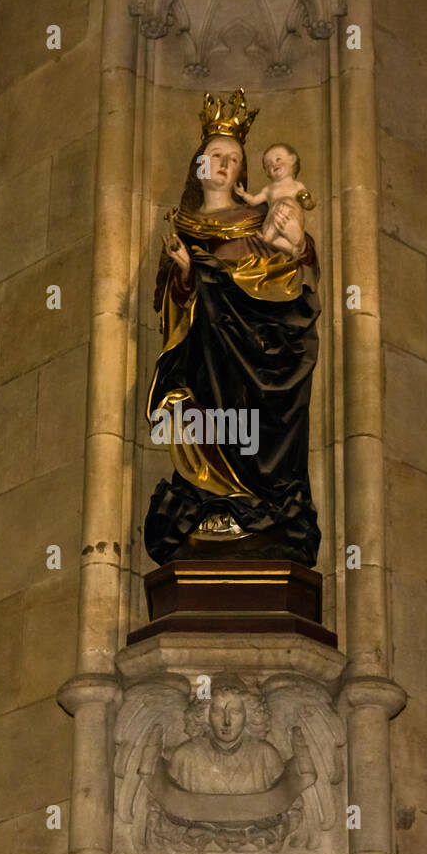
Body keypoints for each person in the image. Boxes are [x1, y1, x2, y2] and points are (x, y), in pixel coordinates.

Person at [144, 89, 322, 566]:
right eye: (215, 155)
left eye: (234, 159)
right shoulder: (181, 226)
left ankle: (257, 502)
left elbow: (297, 266)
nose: (223, 164)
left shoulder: (260, 219)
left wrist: (297, 247)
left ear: (243, 173)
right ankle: (214, 499)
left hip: (259, 347)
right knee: (199, 412)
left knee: (262, 420)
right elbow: (172, 312)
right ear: (199, 165)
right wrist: (186, 273)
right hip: (206, 353)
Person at [233, 142, 317, 258]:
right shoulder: (269, 189)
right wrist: (243, 194)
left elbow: (308, 203)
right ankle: (289, 248)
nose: (274, 165)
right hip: (273, 223)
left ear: (292, 160)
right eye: (268, 165)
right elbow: (254, 201)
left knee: (286, 205)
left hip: (292, 221)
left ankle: (294, 245)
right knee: (272, 237)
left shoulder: (297, 186)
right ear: (267, 173)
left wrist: (308, 201)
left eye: (278, 159)